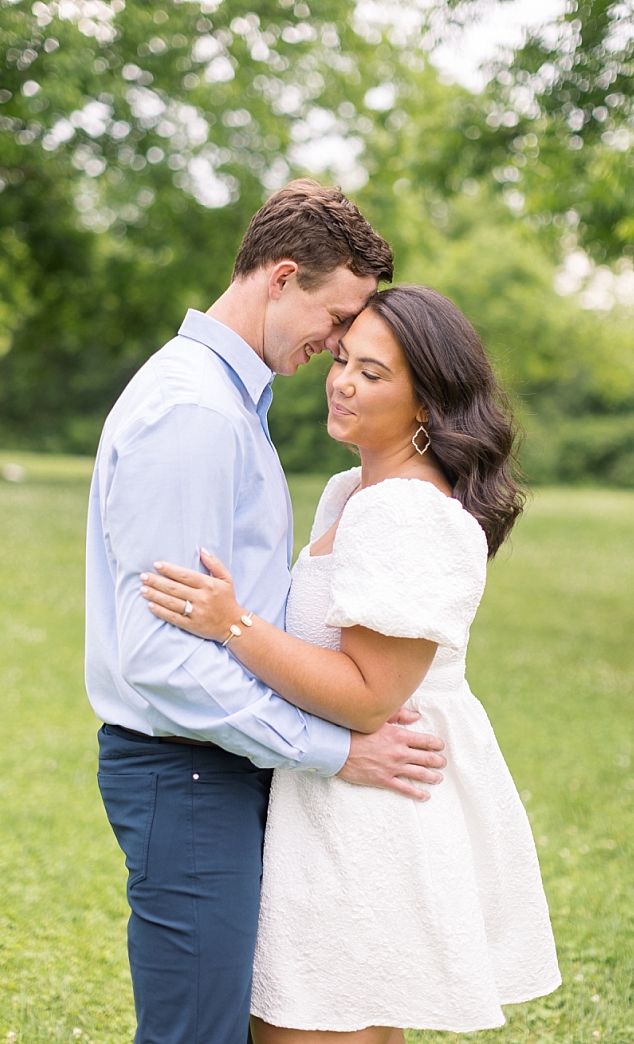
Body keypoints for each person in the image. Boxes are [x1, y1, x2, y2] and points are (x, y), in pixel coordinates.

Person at [140, 285, 559, 1037]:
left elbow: (370, 697)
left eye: (373, 373)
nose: (341, 382)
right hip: (330, 800)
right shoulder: (350, 493)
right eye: (341, 360)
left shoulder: (407, 512)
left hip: (371, 815)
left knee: (314, 1024)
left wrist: (228, 621)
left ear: (427, 403)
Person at [86, 180, 449, 1044]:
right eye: (338, 320)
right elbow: (164, 660)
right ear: (283, 277)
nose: (337, 349)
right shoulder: (193, 412)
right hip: (188, 770)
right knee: (196, 1035)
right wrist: (336, 750)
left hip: (221, 762)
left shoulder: (228, 402)